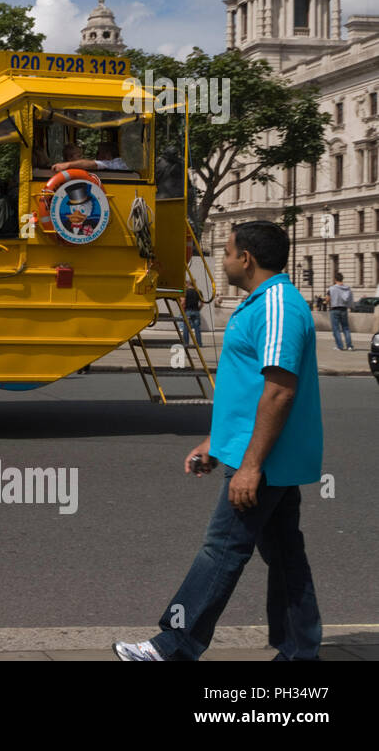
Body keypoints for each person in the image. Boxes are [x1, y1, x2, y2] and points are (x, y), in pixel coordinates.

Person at [114, 221, 323, 661]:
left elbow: (280, 390)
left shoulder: (279, 306)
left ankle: (172, 647)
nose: (222, 259)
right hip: (263, 455)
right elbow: (249, 390)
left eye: (226, 252)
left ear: (245, 257)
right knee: (286, 556)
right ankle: (301, 651)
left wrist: (248, 466)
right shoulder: (263, 303)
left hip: (266, 461)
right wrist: (216, 442)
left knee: (221, 549)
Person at [53, 139, 130, 173]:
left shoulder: (116, 164)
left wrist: (67, 164)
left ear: (107, 155)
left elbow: (93, 164)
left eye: (98, 153)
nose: (96, 156)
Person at [327, 272, 354, 350]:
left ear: (335, 279)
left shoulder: (331, 288)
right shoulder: (347, 288)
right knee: (346, 328)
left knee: (336, 329)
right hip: (344, 309)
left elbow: (328, 299)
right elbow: (350, 299)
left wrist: (326, 301)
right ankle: (349, 346)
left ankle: (340, 346)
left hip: (334, 309)